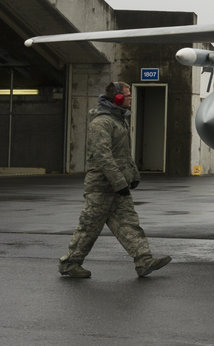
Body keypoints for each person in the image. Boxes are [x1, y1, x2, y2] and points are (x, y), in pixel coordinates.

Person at [58, 81, 172, 279]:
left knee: (129, 224)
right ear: (117, 98)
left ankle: (144, 261)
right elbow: (103, 156)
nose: (130, 99)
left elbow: (123, 155)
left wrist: (133, 175)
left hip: (119, 187)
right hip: (102, 187)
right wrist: (119, 183)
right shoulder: (101, 123)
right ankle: (70, 263)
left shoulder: (119, 121)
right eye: (128, 96)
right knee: (89, 228)